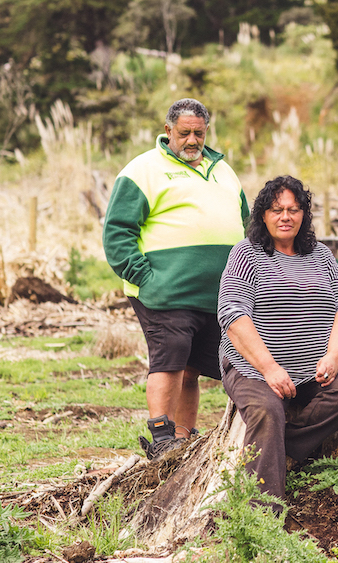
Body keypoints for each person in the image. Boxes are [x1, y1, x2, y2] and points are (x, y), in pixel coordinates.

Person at [104, 98, 248, 460]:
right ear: (168, 131)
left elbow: (247, 225)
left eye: (199, 133)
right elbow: (117, 232)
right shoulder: (143, 170)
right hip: (164, 292)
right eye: (184, 133)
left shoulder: (223, 170)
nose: (192, 140)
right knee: (169, 362)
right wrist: (146, 279)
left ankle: (184, 440)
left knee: (192, 368)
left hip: (215, 295)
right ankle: (162, 438)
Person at [218, 176, 338, 500]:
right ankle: (264, 513)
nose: (285, 216)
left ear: (304, 214)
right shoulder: (247, 254)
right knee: (266, 411)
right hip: (254, 368)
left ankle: (284, 445)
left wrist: (334, 356)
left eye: (293, 209)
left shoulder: (321, 255)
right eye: (276, 210)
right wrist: (269, 369)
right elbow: (233, 316)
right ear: (263, 215)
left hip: (314, 367)